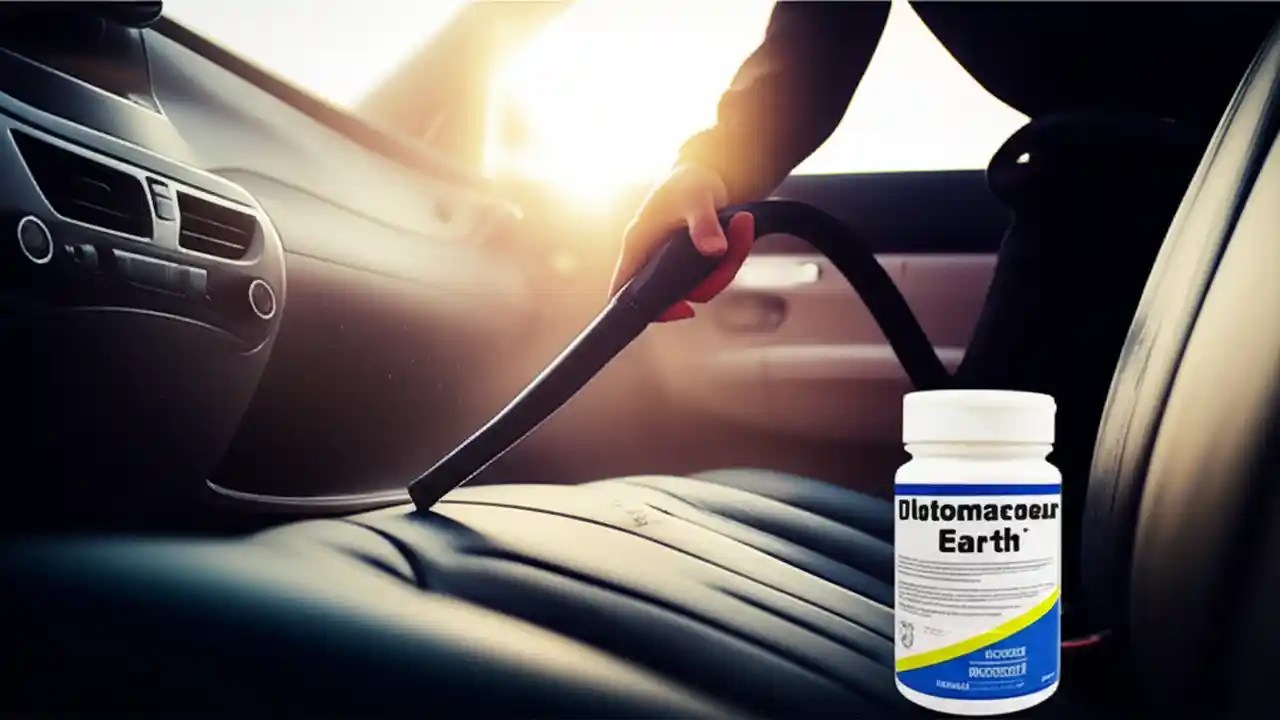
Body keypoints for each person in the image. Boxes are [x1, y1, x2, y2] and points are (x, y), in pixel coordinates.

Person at [608, 1, 1277, 629]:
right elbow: (823, 27)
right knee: (990, 570)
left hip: (1131, 200)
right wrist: (715, 162)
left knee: (989, 591)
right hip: (1092, 203)